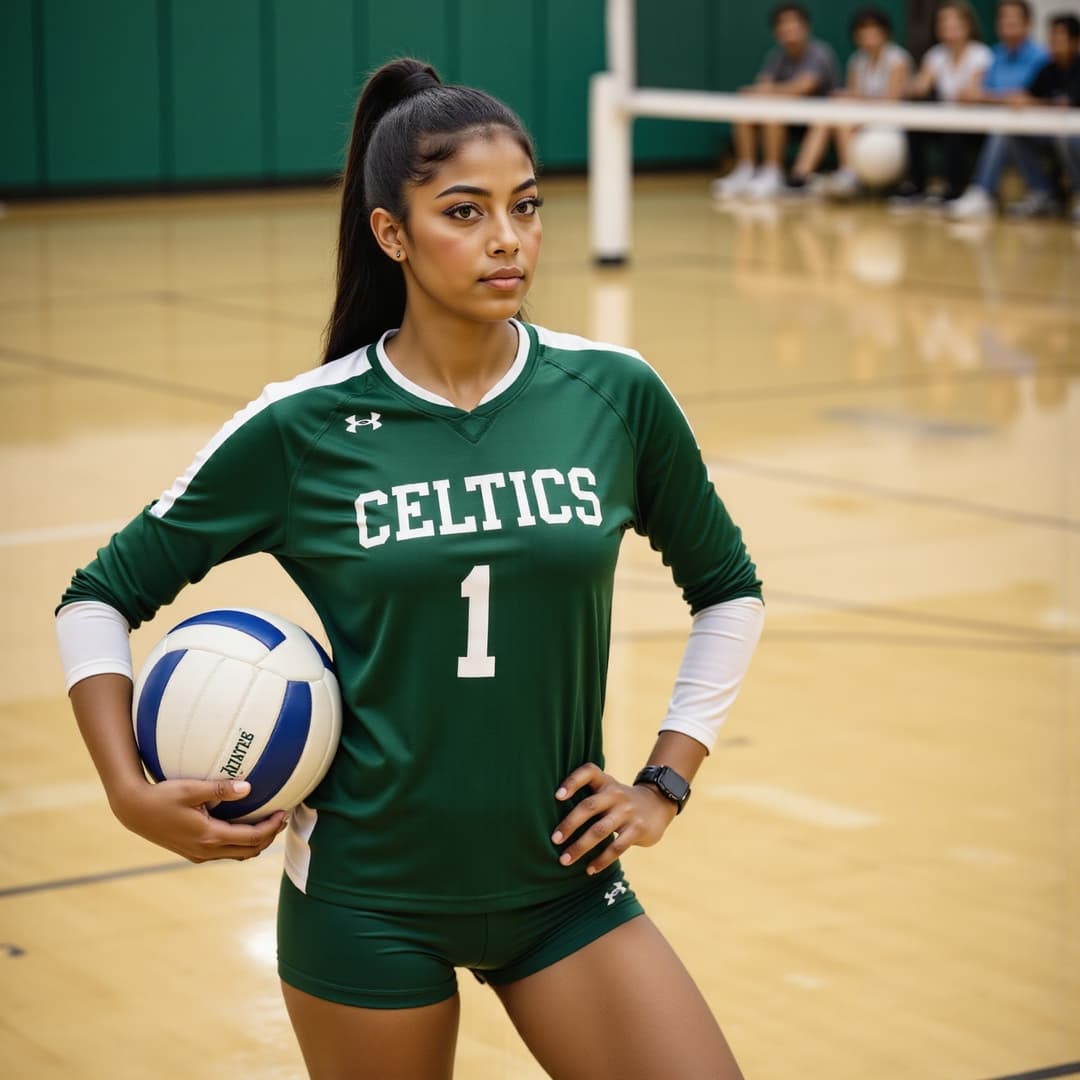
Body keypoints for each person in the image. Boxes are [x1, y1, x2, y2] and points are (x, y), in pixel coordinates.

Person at [55, 58, 765, 1080]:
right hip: (366, 900)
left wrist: (666, 777)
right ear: (392, 232)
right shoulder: (302, 426)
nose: (507, 238)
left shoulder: (612, 392)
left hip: (561, 886)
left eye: (524, 206)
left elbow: (728, 586)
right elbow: (97, 599)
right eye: (465, 212)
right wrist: (126, 789)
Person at [948, 10, 1080, 220]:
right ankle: (1041, 194)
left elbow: (1059, 102)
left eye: (1061, 37)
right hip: (1043, 131)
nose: (1055, 42)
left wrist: (1030, 102)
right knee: (1010, 132)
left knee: (1067, 138)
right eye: (1052, 36)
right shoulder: (1048, 68)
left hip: (1069, 134)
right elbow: (1027, 96)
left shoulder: (1042, 59)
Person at [711, 3, 839, 200]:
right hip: (789, 118)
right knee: (746, 107)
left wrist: (768, 91)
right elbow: (763, 84)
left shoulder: (820, 53)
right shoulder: (776, 56)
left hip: (817, 123)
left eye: (794, 24)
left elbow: (804, 87)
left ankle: (774, 172)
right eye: (783, 25)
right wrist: (755, 93)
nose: (789, 30)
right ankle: (746, 169)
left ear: (805, 27)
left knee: (773, 109)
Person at [784, 6, 913, 198]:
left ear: (885, 34)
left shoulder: (898, 59)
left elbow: (891, 101)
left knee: (844, 114)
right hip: (863, 117)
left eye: (873, 32)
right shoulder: (857, 61)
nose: (868, 38)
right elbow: (854, 93)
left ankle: (849, 173)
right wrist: (850, 98)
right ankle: (801, 175)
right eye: (863, 33)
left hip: (890, 121)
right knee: (826, 117)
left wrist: (856, 99)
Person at [891, 0, 994, 208]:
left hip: (973, 124)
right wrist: (905, 86)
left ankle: (954, 189)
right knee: (914, 127)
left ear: (968, 26)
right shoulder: (936, 55)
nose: (949, 29)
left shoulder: (980, 54)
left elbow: (972, 93)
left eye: (954, 23)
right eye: (944, 23)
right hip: (947, 119)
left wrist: (969, 96)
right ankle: (917, 186)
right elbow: (920, 87)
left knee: (953, 131)